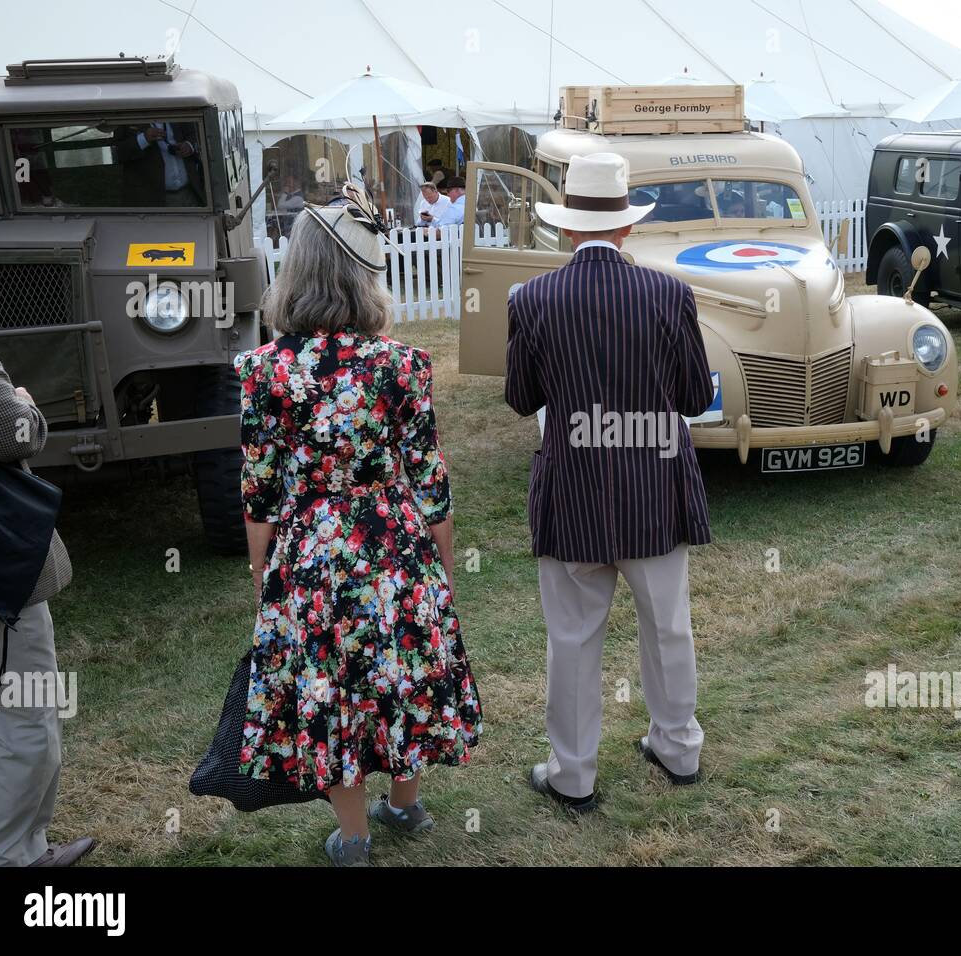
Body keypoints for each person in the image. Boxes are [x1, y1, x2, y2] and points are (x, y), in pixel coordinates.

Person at [234, 181, 482, 865]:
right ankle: (404, 806)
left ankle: (354, 836)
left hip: (311, 551)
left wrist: (263, 575)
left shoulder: (264, 372)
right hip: (392, 540)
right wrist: (443, 565)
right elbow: (429, 477)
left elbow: (258, 490)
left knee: (329, 686)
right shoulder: (403, 365)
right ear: (363, 275)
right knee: (399, 666)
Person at [506, 152, 713, 812]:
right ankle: (678, 749)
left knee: (571, 640)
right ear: (626, 228)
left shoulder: (531, 300)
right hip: (655, 492)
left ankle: (573, 775)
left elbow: (520, 398)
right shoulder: (670, 294)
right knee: (669, 628)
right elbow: (689, 397)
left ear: (568, 228)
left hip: (573, 495)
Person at [0, 319, 92, 867]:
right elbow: (8, 429)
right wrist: (27, 407)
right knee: (24, 716)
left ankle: (28, 848)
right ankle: (3, 859)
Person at [111, 120, 204, 206]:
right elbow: (116, 153)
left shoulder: (177, 104)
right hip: (151, 200)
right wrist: (143, 139)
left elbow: (197, 131)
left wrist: (189, 145)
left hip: (190, 193)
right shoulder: (126, 111)